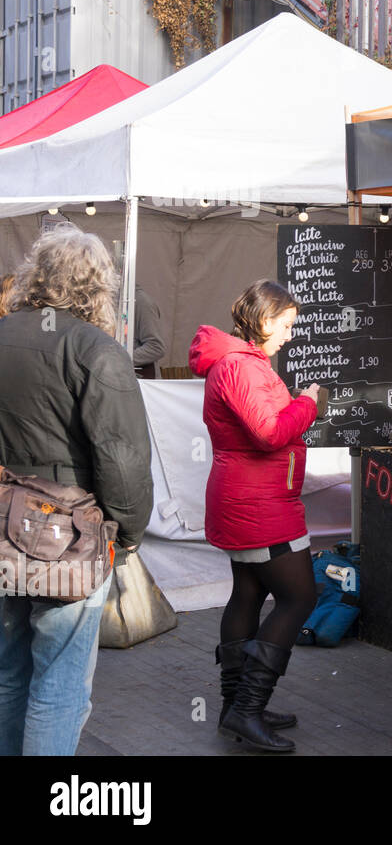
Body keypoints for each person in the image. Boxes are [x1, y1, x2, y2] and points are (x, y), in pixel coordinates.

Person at [0, 226, 152, 755]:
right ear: (97, 285)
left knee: (8, 674)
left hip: (6, 527)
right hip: (67, 535)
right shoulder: (96, 349)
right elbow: (123, 460)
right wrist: (129, 533)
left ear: (35, 276)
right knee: (59, 687)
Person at [188, 280, 322, 753]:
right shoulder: (241, 367)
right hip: (259, 505)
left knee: (247, 592)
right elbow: (268, 433)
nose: (289, 335)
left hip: (248, 498)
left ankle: (234, 708)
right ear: (265, 321)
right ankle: (245, 710)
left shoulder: (237, 364)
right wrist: (308, 402)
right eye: (286, 325)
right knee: (299, 596)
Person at [132, 285, 166, 379]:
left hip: (140, 384)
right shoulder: (106, 299)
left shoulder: (141, 302)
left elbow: (156, 347)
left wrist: (119, 360)